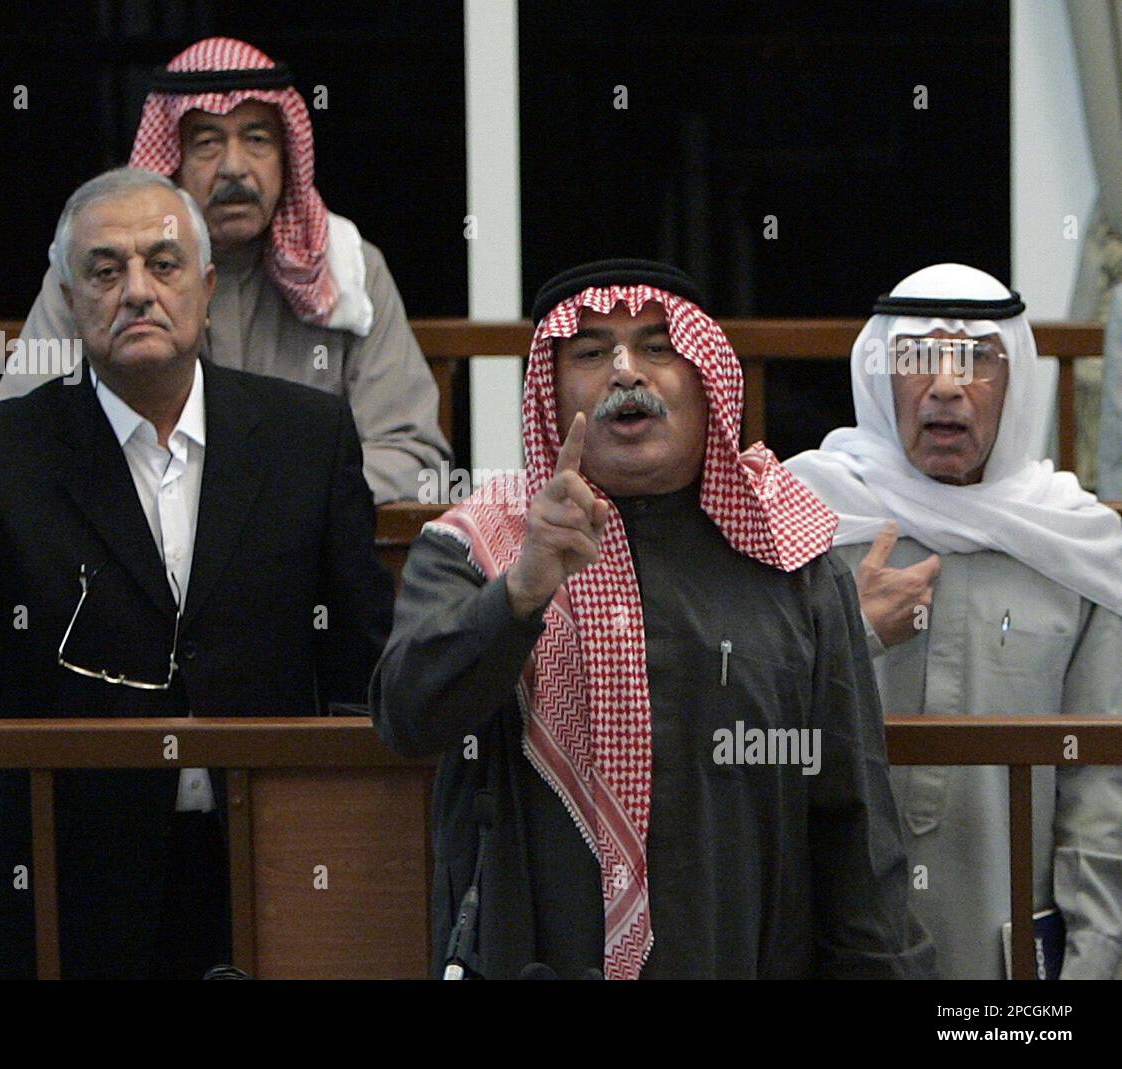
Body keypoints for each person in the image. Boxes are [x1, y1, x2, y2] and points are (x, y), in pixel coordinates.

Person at [0, 167, 394, 979]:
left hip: (264, 853)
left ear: (208, 285)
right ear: (72, 302)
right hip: (66, 862)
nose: (138, 290)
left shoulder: (306, 435)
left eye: (164, 263)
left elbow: (360, 642)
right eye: (106, 271)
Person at [370, 258, 934, 980]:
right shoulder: (480, 546)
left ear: (707, 379)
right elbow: (407, 716)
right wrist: (521, 591)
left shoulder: (790, 559)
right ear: (550, 386)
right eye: (591, 351)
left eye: (659, 346)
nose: (626, 372)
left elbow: (853, 825)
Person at [786, 263, 1122, 979]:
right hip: (823, 937)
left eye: (975, 358)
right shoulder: (803, 522)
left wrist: (1096, 963)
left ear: (1017, 382)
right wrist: (854, 629)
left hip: (1003, 954)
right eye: (916, 359)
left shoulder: (1079, 548)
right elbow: (739, 732)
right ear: (881, 379)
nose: (944, 384)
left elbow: (1100, 796)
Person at [0, 36, 450, 504]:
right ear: (171, 162)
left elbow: (411, 454)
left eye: (257, 139)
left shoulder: (347, 267)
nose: (235, 168)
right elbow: (21, 441)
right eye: (207, 143)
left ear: (287, 155)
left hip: (292, 556)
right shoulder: (100, 270)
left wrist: (273, 498)